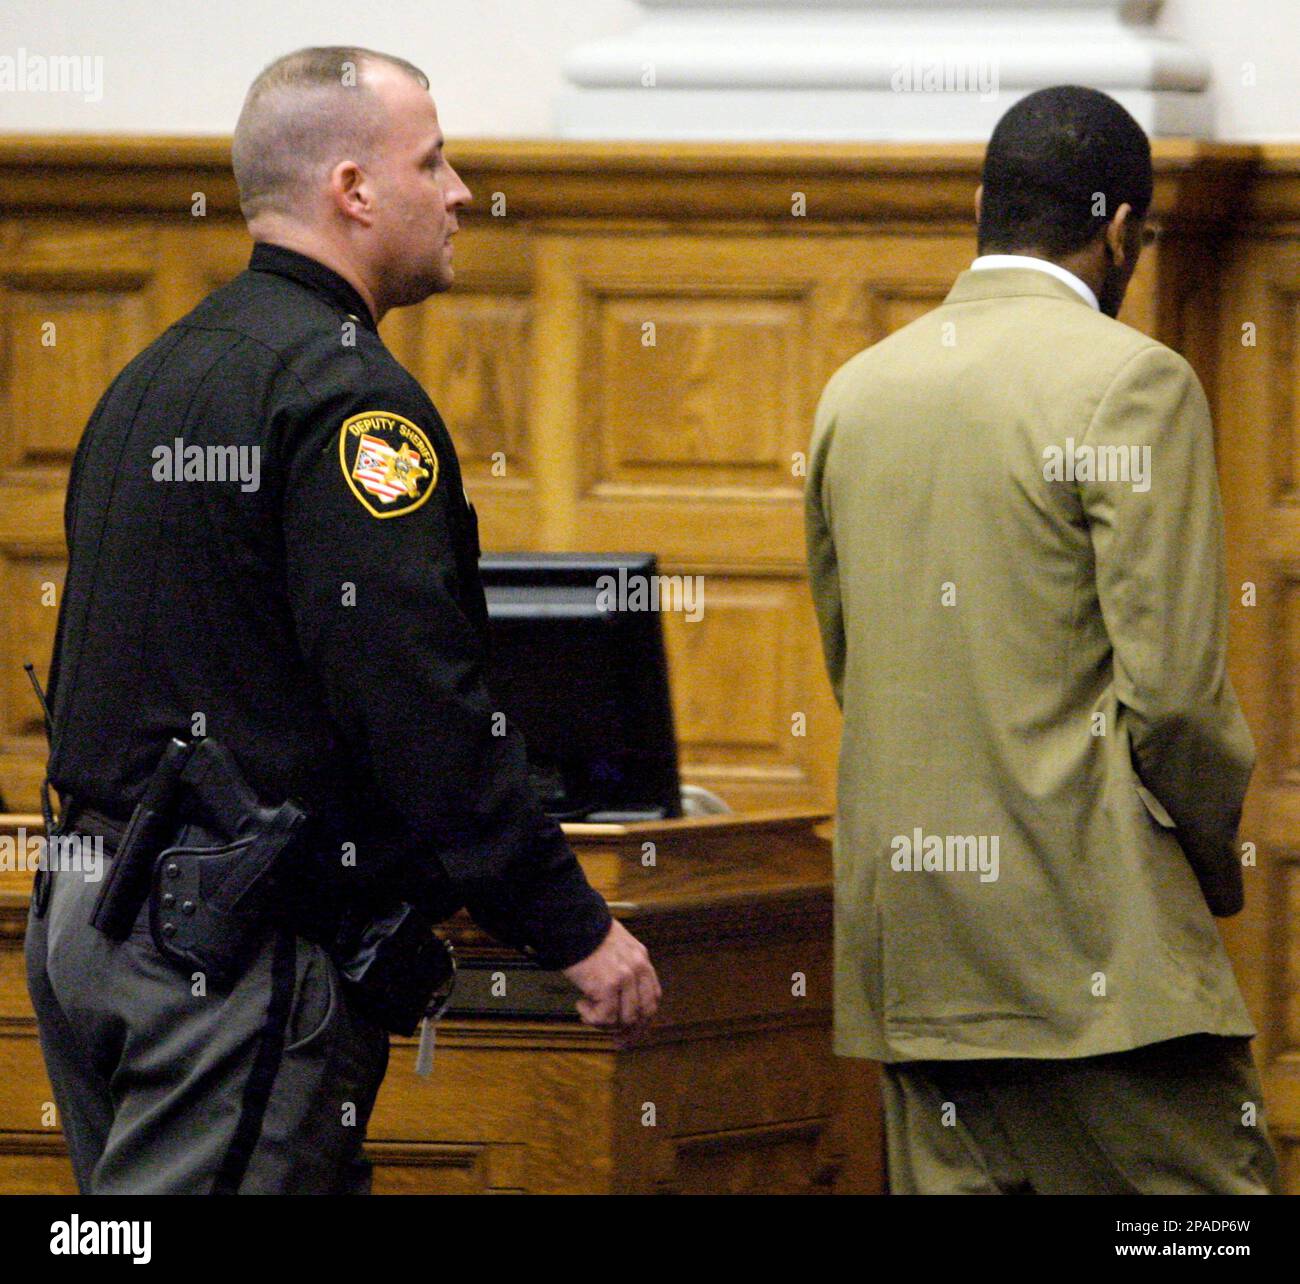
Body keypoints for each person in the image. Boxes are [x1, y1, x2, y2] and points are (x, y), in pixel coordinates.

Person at [24, 45, 660, 1196]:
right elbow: (414, 700)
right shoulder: (348, 397)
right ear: (354, 190)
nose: (462, 192)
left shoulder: (154, 375)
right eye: (435, 161)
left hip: (94, 917)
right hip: (223, 949)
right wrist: (570, 925)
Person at [805, 85, 1279, 1194]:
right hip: (1098, 954)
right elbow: (1174, 702)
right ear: (1122, 229)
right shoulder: (1132, 381)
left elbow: (851, 666)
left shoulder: (855, 393)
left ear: (982, 204)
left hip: (919, 965)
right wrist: (1202, 870)